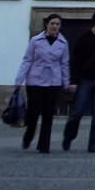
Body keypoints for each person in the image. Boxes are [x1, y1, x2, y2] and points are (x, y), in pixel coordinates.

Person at [16, 13, 70, 153]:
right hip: (35, 81)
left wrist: (66, 82)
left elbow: (64, 64)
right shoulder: (36, 40)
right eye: (52, 23)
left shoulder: (63, 43)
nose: (54, 26)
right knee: (33, 113)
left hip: (53, 82)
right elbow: (27, 59)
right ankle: (29, 136)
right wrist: (19, 79)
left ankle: (44, 145)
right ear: (47, 25)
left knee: (48, 115)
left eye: (57, 24)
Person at [63, 9, 95, 153]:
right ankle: (68, 136)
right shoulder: (84, 37)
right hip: (85, 80)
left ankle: (94, 145)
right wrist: (73, 81)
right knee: (77, 112)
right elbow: (75, 61)